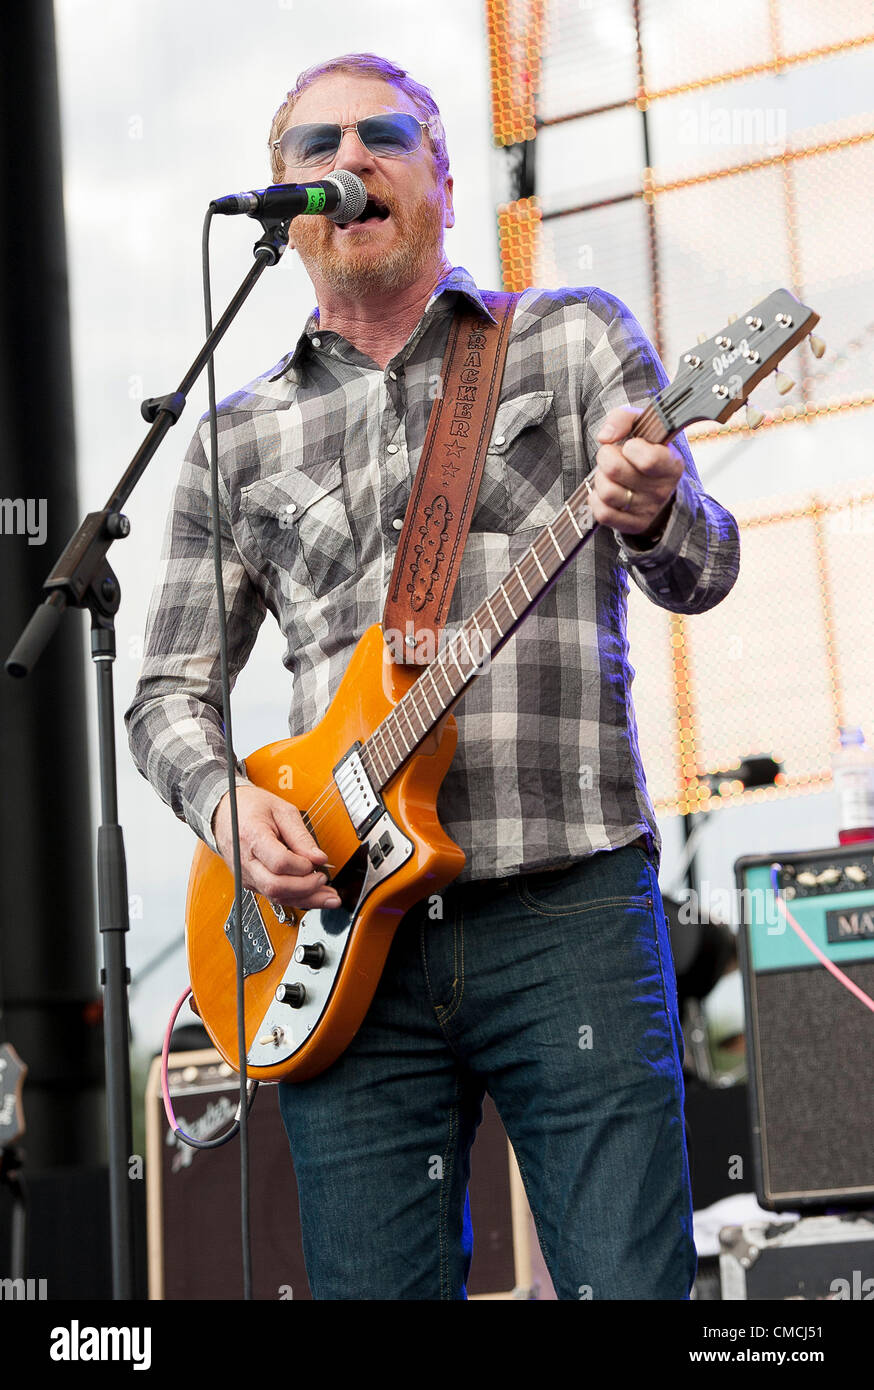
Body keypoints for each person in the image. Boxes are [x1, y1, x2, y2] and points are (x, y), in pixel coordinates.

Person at [126, 51, 740, 1300]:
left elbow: (701, 570)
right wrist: (229, 807)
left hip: (562, 900)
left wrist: (653, 504)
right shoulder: (233, 437)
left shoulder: (571, 342)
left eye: (383, 136)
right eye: (317, 148)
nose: (349, 162)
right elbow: (167, 697)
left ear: (442, 179)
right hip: (343, 944)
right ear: (284, 203)